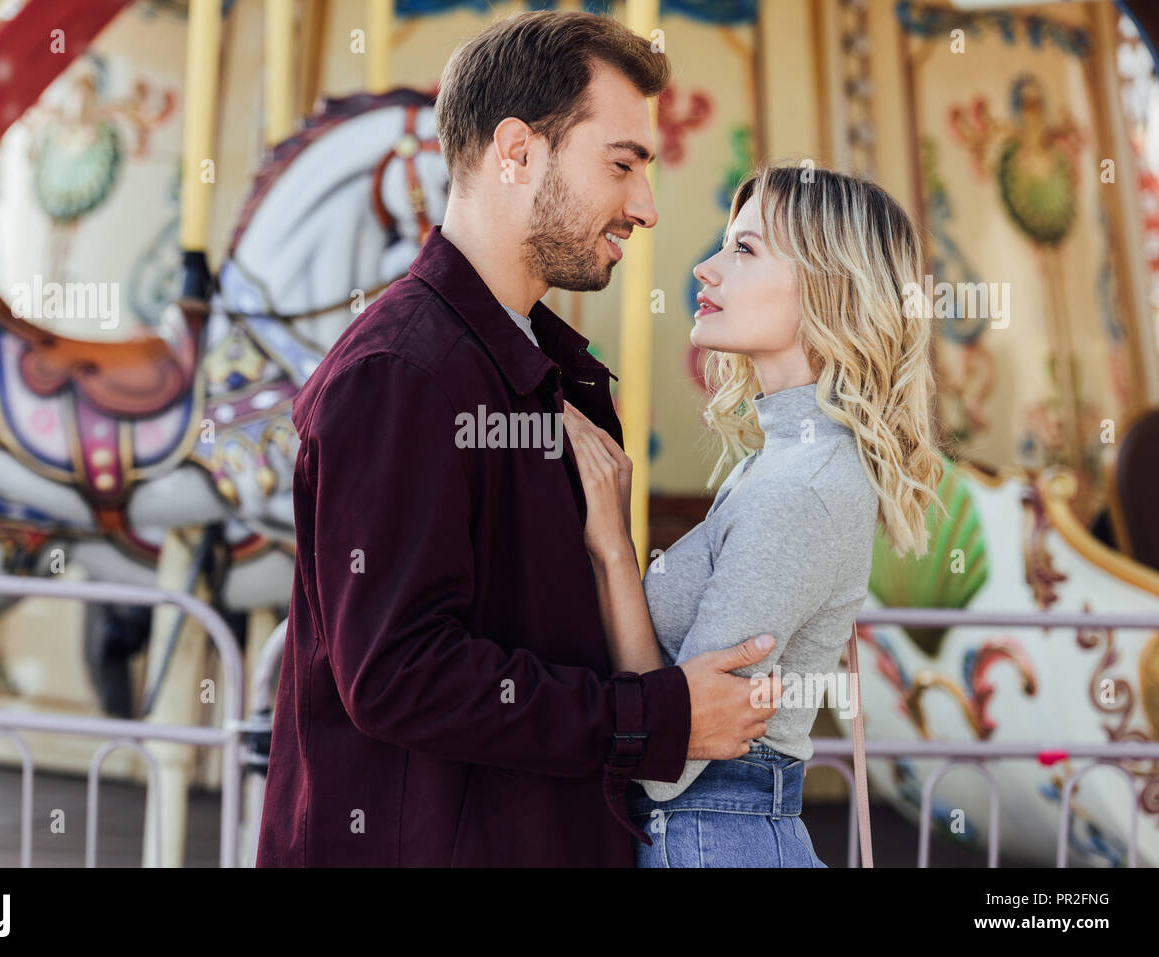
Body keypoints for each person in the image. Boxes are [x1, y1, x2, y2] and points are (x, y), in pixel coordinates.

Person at [255, 10, 785, 867]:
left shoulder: (538, 365)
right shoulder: (399, 372)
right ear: (517, 151)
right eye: (622, 165)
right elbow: (398, 674)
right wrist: (658, 719)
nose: (645, 207)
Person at [561, 165, 945, 867]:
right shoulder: (779, 461)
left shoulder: (802, 485)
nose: (706, 269)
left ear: (829, 285)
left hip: (711, 839)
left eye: (744, 249)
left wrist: (614, 549)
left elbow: (667, 758)